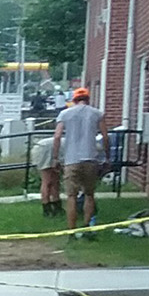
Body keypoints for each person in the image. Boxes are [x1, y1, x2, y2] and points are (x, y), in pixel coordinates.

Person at [52, 87, 108, 233]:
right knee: (89, 194)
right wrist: (107, 157)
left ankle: (72, 230)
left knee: (71, 196)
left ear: (74, 100)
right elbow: (105, 136)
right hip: (90, 158)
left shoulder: (65, 114)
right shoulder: (97, 113)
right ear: (88, 99)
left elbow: (57, 136)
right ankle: (87, 227)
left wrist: (56, 157)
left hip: (71, 159)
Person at [33, 127, 62, 217]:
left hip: (48, 147)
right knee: (47, 181)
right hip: (45, 149)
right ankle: (46, 207)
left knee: (55, 180)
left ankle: (56, 205)